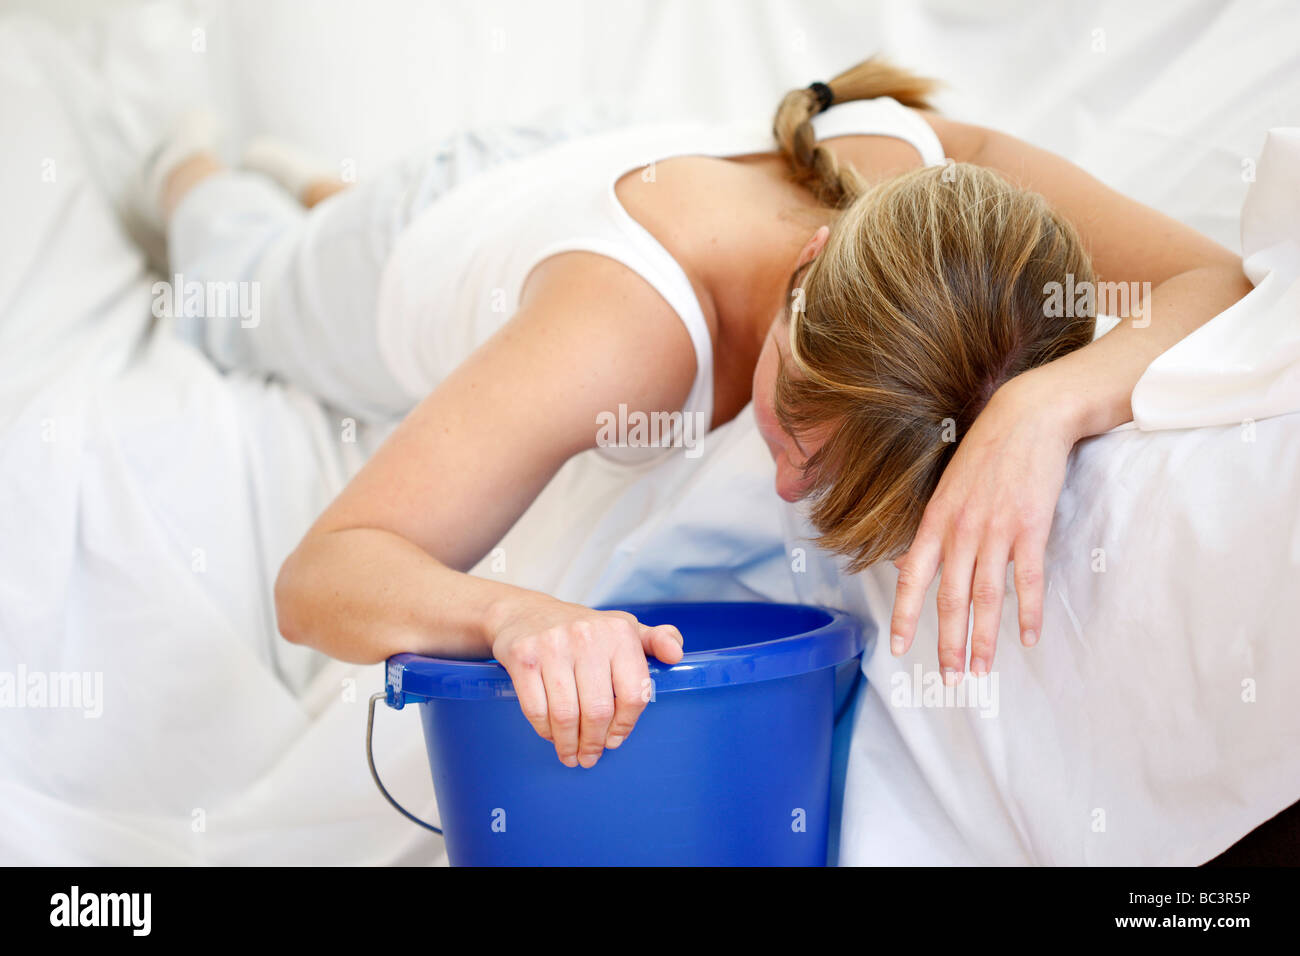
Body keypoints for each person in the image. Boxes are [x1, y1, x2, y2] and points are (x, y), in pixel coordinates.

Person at [145, 57, 1251, 768]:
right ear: (812, 260)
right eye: (790, 421)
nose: (784, 483)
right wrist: (513, 616)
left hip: (580, 167)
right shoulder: (615, 337)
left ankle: (324, 188)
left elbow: (1219, 280)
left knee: (444, 239)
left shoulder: (944, 201)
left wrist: (1044, 408)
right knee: (234, 286)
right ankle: (192, 171)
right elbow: (322, 574)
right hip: (409, 247)